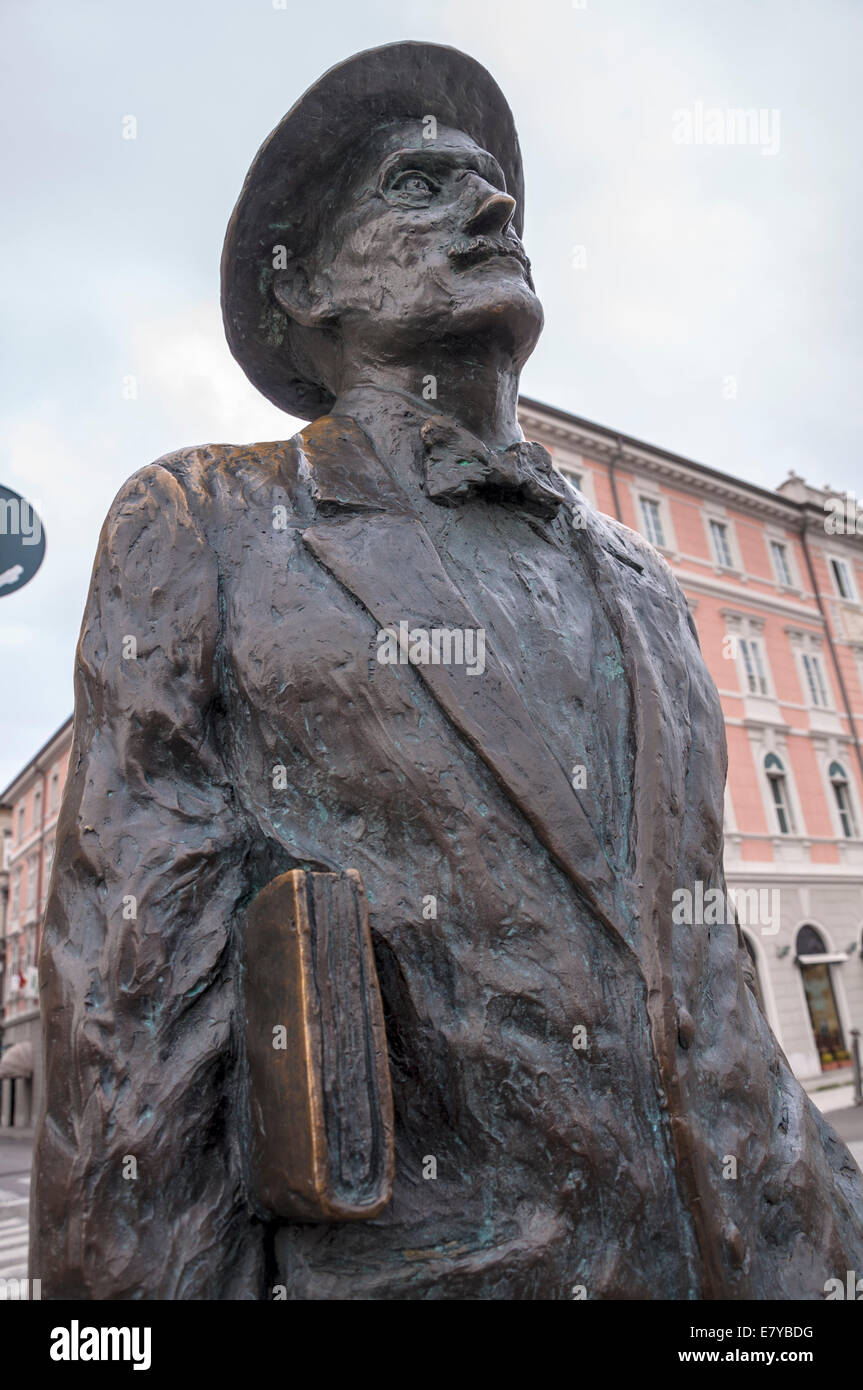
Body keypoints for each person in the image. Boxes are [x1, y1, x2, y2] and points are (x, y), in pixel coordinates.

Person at [32, 40, 862, 1300]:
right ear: (300, 285)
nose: (491, 205)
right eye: (417, 184)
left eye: (493, 187)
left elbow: (714, 1002)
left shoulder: (644, 584)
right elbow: (126, 1030)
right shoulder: (202, 523)